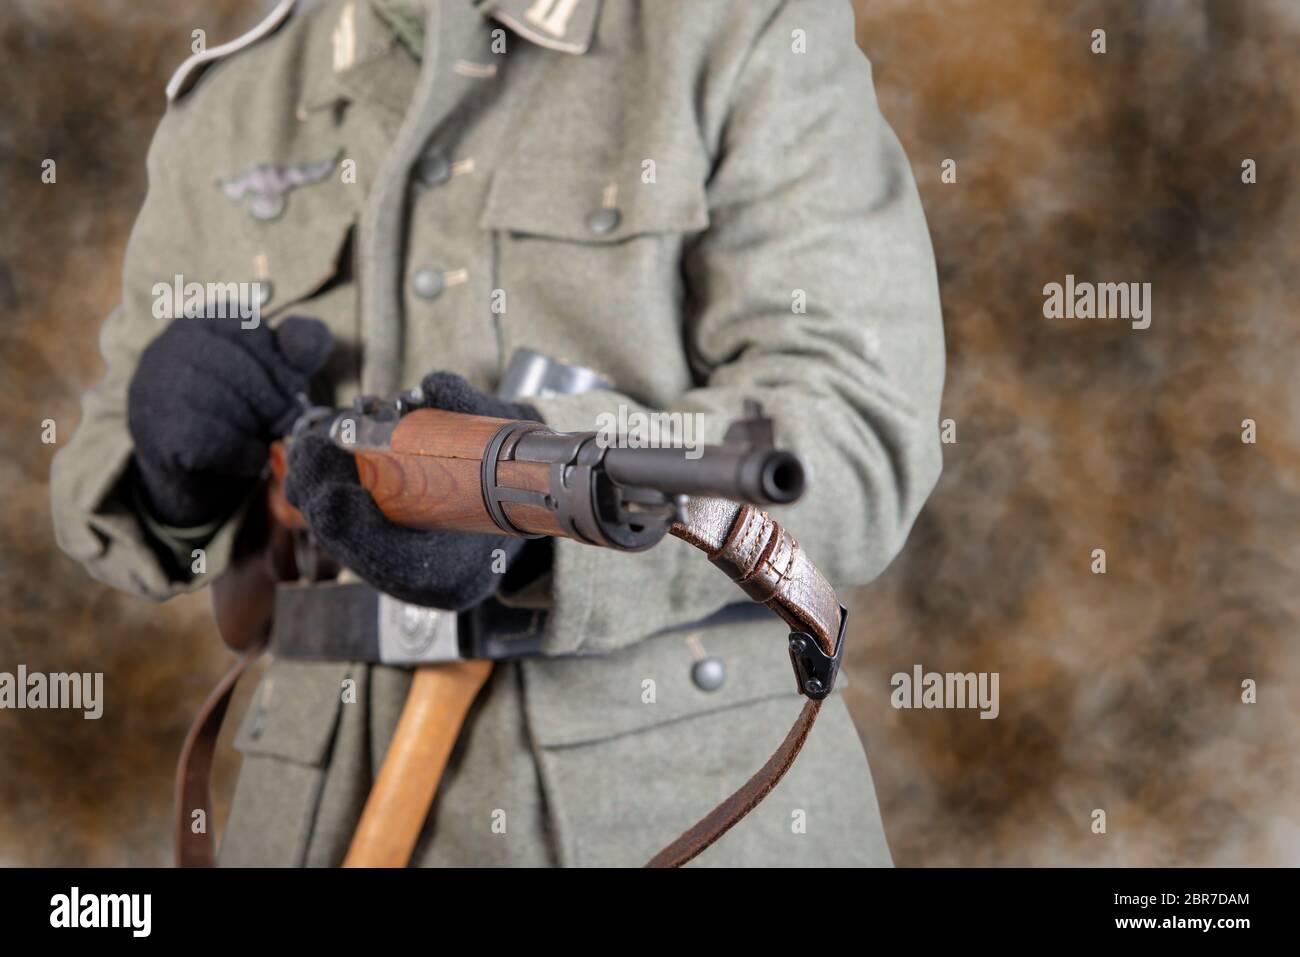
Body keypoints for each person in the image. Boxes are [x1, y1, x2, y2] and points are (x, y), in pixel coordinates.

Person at [51, 0, 944, 866]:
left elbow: (856, 425)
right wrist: (174, 477)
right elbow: (99, 485)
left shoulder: (741, 25)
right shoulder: (236, 91)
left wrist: (531, 513)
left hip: (678, 803)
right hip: (314, 808)